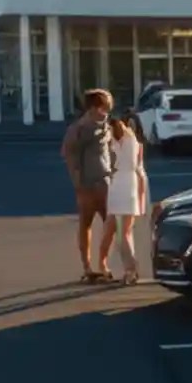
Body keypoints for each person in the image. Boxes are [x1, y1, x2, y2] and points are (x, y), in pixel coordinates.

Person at [60, 88, 116, 283]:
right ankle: (88, 267)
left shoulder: (107, 127)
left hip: (105, 181)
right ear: (93, 108)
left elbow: (112, 152)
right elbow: (68, 154)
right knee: (86, 224)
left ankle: (103, 263)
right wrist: (77, 181)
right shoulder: (79, 129)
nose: (107, 111)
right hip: (86, 184)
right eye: (105, 107)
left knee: (111, 223)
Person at [106, 117, 149, 285]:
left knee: (122, 234)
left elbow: (110, 165)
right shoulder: (135, 142)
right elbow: (139, 167)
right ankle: (131, 268)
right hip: (132, 184)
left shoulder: (113, 143)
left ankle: (131, 268)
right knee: (127, 231)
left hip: (118, 185)